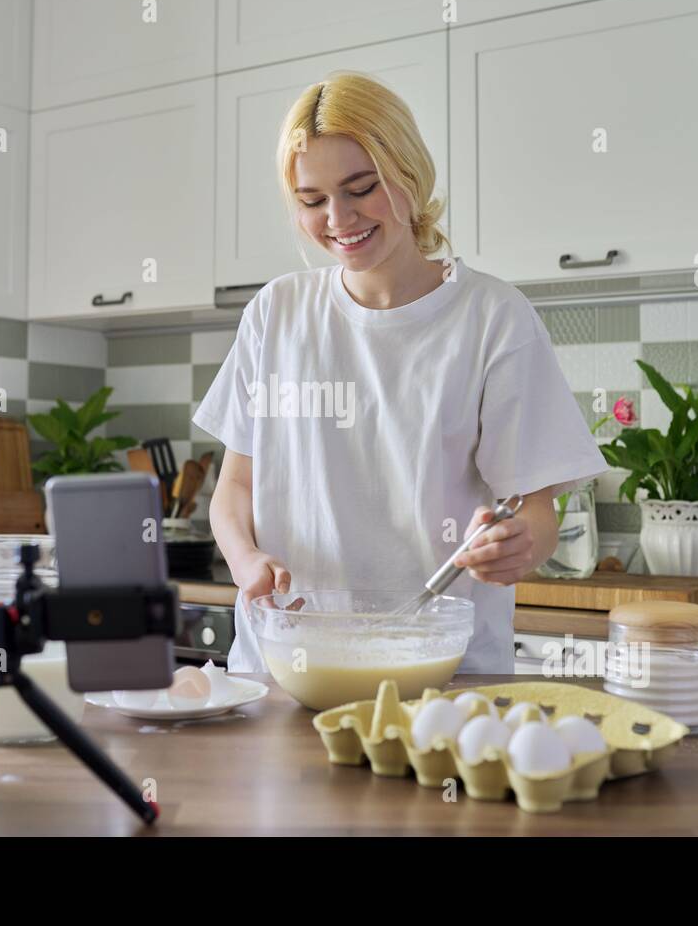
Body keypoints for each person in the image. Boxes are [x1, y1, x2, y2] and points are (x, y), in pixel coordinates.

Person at [192, 72, 607, 673]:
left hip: (442, 672)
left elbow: (533, 511)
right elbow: (235, 488)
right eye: (312, 201)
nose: (338, 217)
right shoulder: (276, 312)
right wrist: (244, 560)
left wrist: (517, 546)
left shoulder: (492, 317)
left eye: (362, 188)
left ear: (409, 173)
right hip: (284, 665)